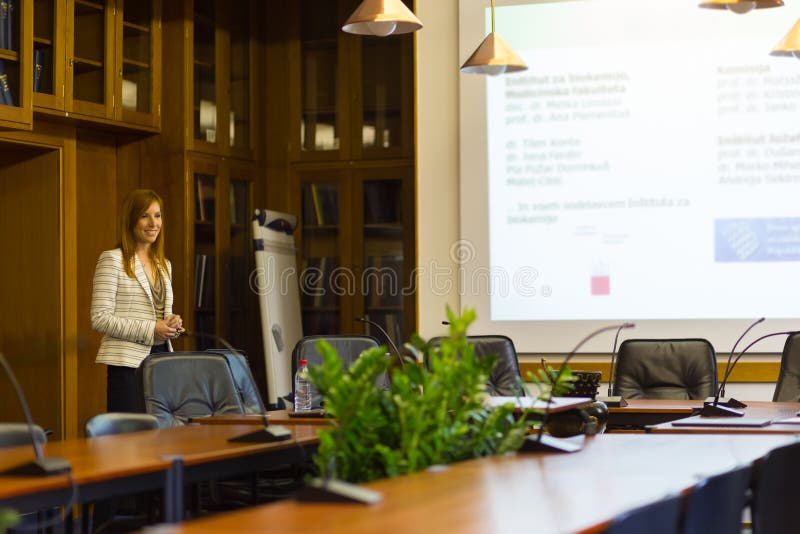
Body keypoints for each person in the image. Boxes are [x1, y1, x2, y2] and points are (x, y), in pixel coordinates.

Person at [91, 189, 185, 412]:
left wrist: (172, 325)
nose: (153, 223)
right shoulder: (112, 260)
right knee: (131, 442)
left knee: (160, 437)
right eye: (145, 215)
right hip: (127, 367)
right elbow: (99, 319)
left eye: (158, 215)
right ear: (131, 220)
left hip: (161, 362)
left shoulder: (165, 265)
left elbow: (161, 316)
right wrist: (152, 329)